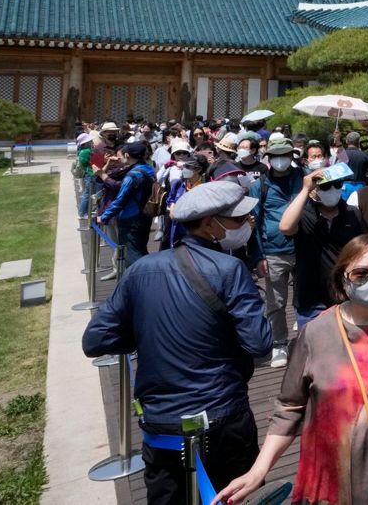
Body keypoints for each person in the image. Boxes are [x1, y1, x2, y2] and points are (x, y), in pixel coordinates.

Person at [217, 235, 368, 505]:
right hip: (334, 482)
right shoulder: (316, 333)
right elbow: (290, 408)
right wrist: (259, 470)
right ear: (343, 279)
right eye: (361, 274)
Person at [83, 181, 272, 505]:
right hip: (221, 418)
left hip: (160, 424)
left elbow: (96, 339)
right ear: (211, 224)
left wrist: (146, 334)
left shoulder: (141, 269)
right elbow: (259, 345)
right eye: (238, 219)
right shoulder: (230, 269)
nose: (246, 224)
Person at [279, 167, 365, 327]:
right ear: (314, 191)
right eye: (325, 186)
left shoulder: (352, 213)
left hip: (346, 294)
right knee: (314, 347)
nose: (332, 190)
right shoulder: (303, 214)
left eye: (337, 185)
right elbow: (285, 226)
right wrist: (305, 188)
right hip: (311, 298)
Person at [250, 134, 305, 368]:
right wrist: (258, 256)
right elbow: (253, 222)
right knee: (275, 302)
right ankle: (279, 343)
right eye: (277, 156)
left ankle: (307, 342)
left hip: (304, 247)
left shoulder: (304, 179)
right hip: (273, 250)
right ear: (269, 158)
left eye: (286, 155)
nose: (281, 160)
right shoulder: (259, 185)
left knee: (307, 299)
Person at [98, 139, 157, 266]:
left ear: (127, 155)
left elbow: (120, 200)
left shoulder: (132, 176)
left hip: (131, 220)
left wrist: (103, 217)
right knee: (141, 249)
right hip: (145, 216)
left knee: (132, 256)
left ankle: (139, 282)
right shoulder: (149, 169)